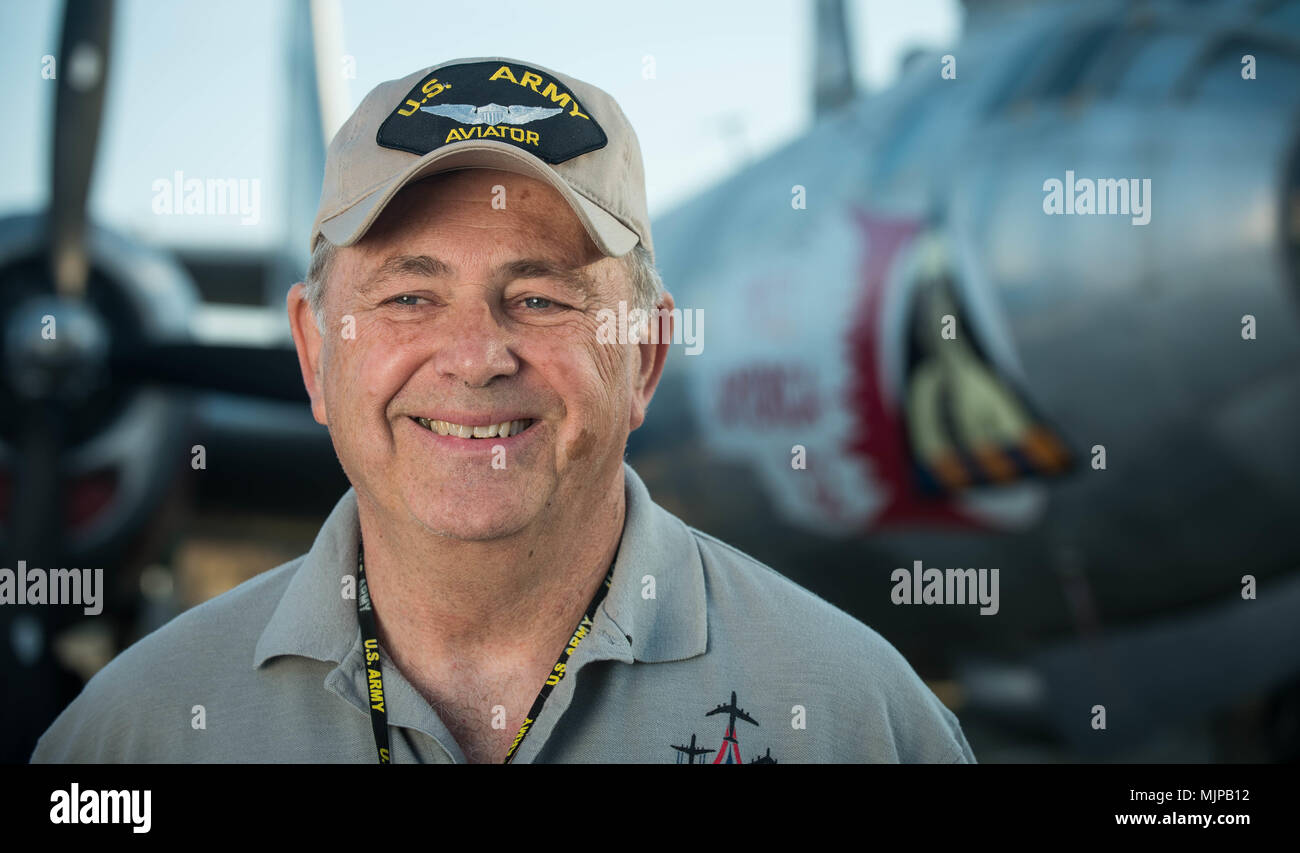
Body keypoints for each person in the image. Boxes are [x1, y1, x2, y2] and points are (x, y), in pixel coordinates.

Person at [31, 57, 976, 763]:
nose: (478, 357)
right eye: (408, 296)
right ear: (314, 354)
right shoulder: (129, 739)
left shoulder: (868, 726)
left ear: (645, 353)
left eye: (543, 297)